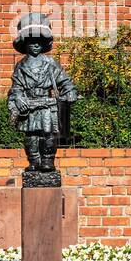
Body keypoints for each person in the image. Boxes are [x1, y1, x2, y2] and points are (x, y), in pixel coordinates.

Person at [8, 13, 79, 180]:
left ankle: (48, 161)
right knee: (31, 136)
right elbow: (16, 88)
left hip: (47, 106)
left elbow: (65, 81)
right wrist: (18, 98)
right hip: (30, 106)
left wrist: (70, 92)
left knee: (48, 135)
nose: (35, 45)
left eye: (39, 41)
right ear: (25, 43)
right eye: (32, 41)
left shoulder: (50, 63)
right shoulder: (21, 66)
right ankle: (34, 161)